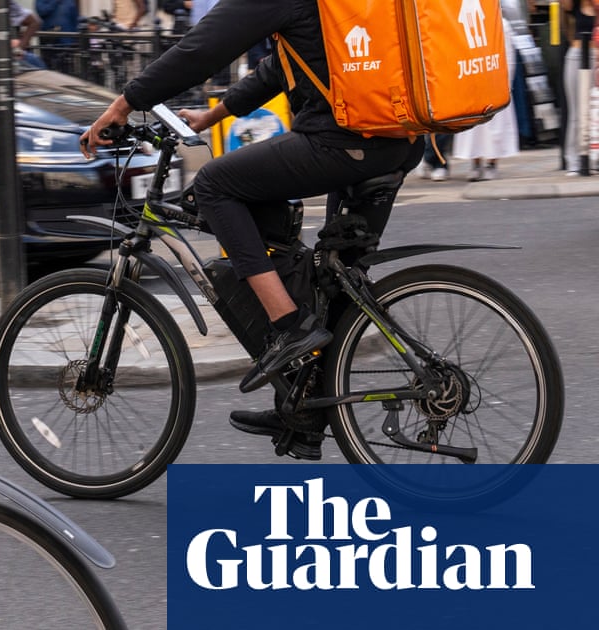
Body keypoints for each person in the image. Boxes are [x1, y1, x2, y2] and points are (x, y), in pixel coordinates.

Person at [79, 0, 423, 460]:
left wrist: (125, 103)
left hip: (344, 141)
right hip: (395, 139)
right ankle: (302, 414)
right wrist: (215, 115)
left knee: (215, 184)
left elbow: (201, 49)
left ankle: (288, 325)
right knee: (335, 278)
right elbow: (284, 64)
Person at [452, 16, 519, 181]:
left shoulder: (501, 24)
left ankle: (491, 163)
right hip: (473, 80)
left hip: (494, 81)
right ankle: (476, 163)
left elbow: (508, 56)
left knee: (495, 126)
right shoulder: (463, 21)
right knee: (473, 126)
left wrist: (506, 83)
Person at [561, 0, 596, 175]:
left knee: (594, 112)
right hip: (575, 57)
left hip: (595, 58)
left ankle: (592, 157)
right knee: (576, 112)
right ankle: (574, 160)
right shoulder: (573, 5)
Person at [36, 0, 80, 73]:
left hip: (67, 41)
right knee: (50, 67)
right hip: (50, 40)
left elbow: (74, 19)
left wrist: (75, 39)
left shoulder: (69, 2)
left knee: (67, 67)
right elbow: (41, 11)